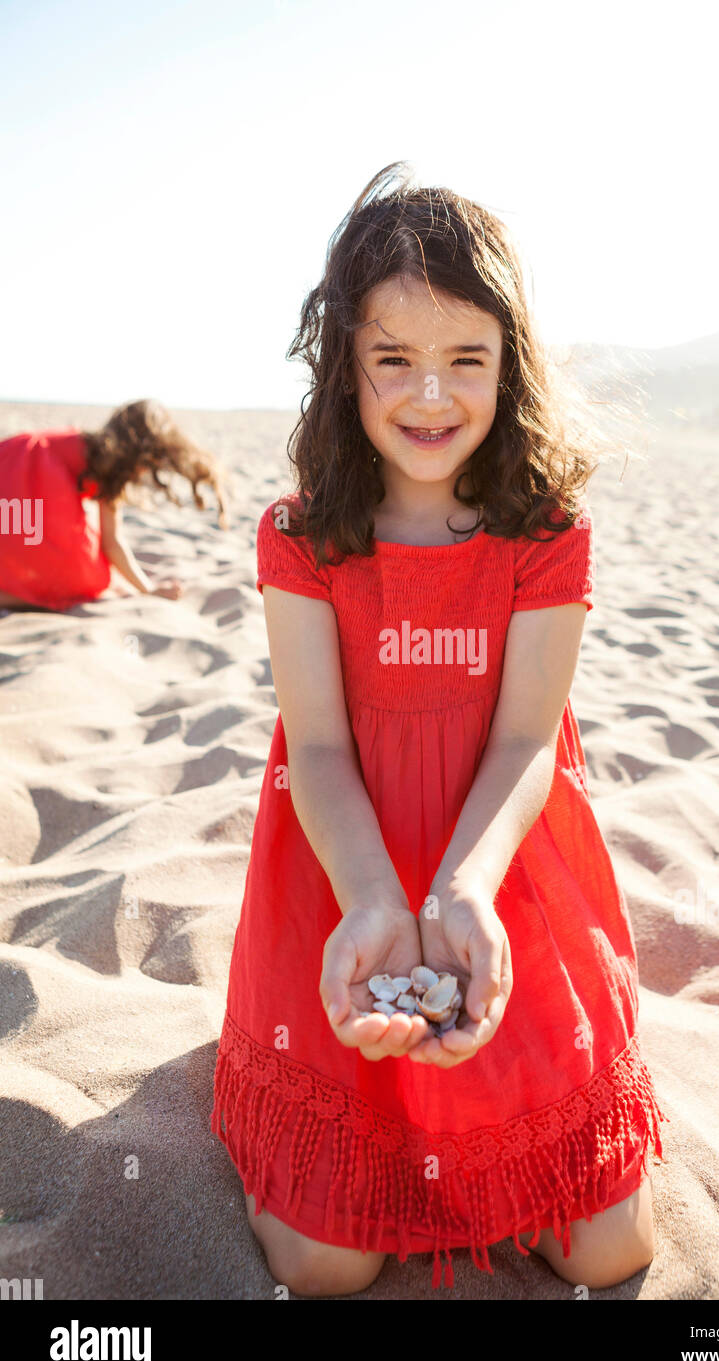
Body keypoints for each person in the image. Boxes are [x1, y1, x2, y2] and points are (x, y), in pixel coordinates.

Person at [211, 161, 667, 1295]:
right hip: (342, 862)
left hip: (499, 863)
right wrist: (377, 897)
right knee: (327, 1265)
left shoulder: (545, 530)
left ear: (508, 365)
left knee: (610, 1246)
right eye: (392, 360)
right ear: (345, 372)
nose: (429, 393)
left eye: (464, 357)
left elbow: (524, 742)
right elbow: (314, 746)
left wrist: (456, 893)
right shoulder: (304, 536)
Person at [0, 399, 228, 611]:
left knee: (22, 533)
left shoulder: (79, 442)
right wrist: (148, 590)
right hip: (30, 490)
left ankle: (10, 590)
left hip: (9, 463)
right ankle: (19, 595)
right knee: (89, 576)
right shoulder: (111, 467)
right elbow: (112, 543)